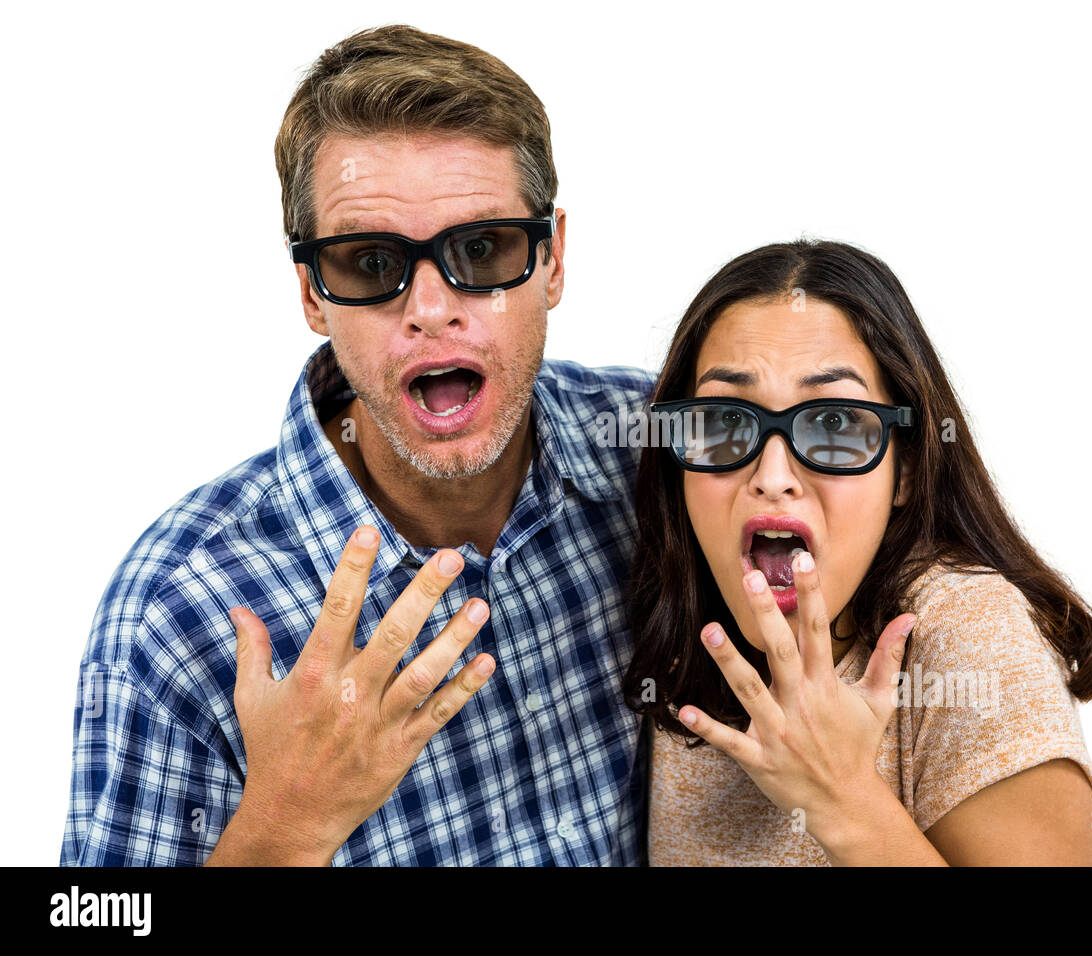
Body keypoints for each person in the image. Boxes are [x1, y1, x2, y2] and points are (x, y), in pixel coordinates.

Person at [61, 25, 655, 866]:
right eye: (372, 263)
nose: (431, 306)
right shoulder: (180, 611)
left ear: (553, 258)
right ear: (312, 292)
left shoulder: (662, 457)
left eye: (481, 250)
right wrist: (284, 828)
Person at [621, 239, 1092, 865]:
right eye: (723, 421)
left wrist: (843, 799)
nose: (773, 475)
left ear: (905, 467)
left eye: (833, 423)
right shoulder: (684, 637)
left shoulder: (969, 632)